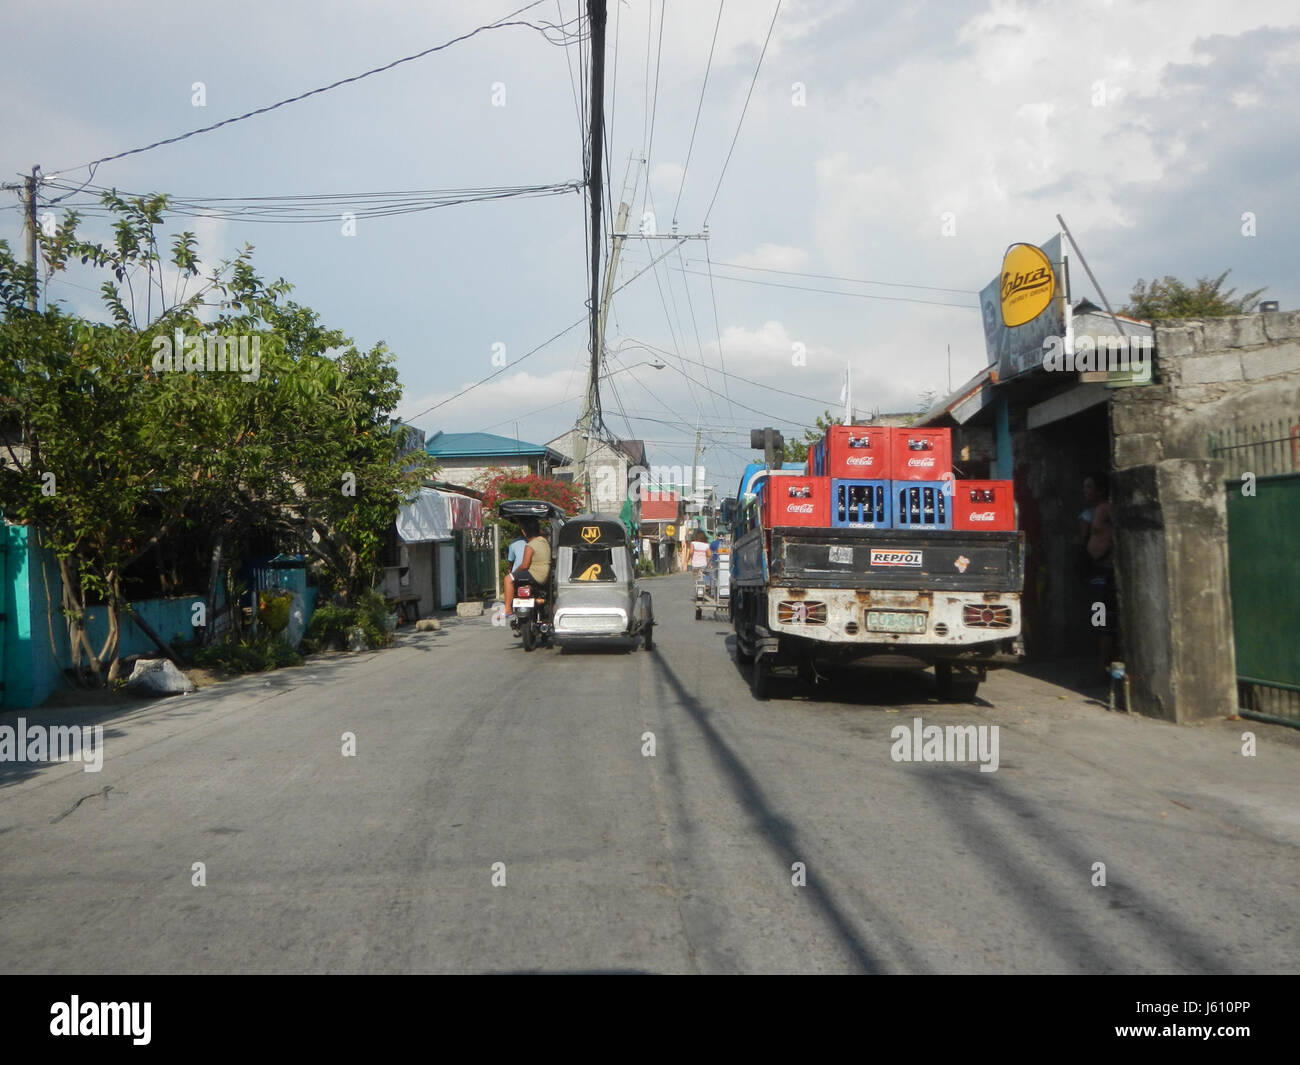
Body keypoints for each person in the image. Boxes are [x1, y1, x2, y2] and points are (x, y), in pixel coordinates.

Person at [1082, 472, 1116, 684]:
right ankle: (1100, 666)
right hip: (1097, 569)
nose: (1086, 492)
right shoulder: (1093, 511)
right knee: (1097, 619)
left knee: (1102, 621)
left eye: (1090, 487)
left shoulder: (1106, 508)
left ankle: (1102, 670)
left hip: (1105, 570)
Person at [503, 517, 552, 630]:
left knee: (508, 579)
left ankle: (508, 609)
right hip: (545, 575)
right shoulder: (544, 542)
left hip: (534, 575)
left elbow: (524, 565)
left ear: (524, 532)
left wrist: (514, 573)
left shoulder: (530, 546)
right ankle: (538, 601)